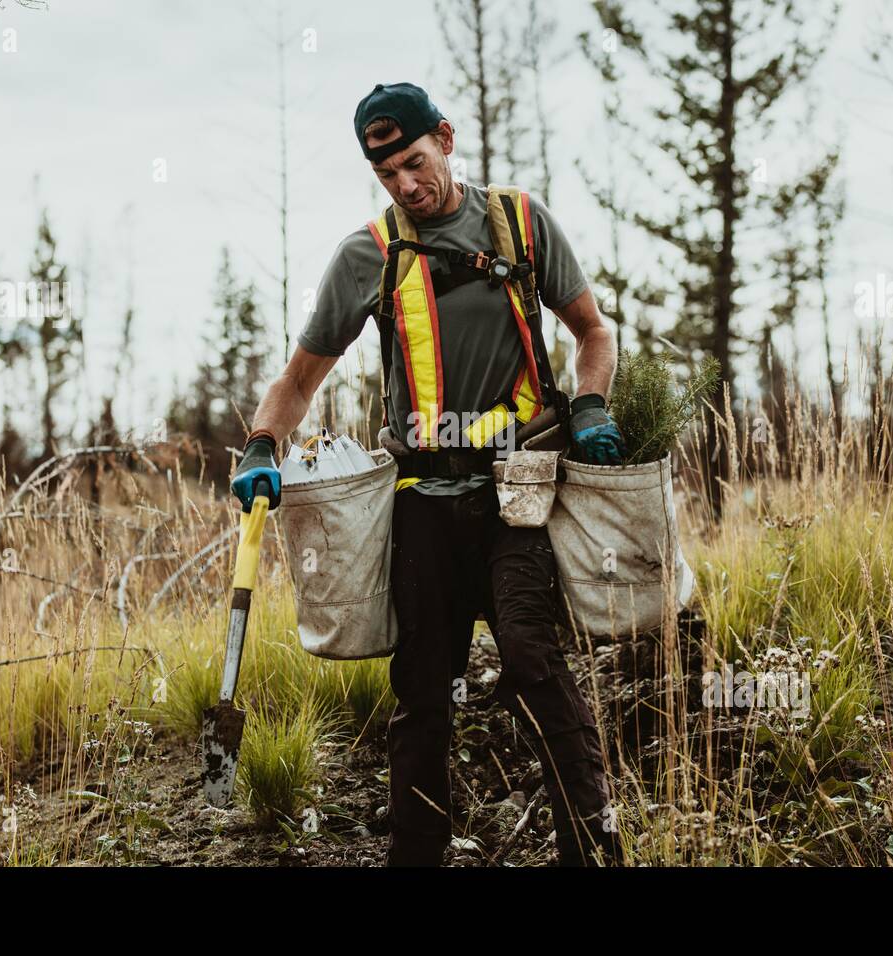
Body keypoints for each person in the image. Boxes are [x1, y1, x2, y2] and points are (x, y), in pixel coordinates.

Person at [232, 82, 626, 866]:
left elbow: (593, 331)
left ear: (445, 138)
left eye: (415, 162)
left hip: (517, 493)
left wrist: (589, 405)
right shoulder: (367, 255)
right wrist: (260, 446)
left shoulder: (520, 223)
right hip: (419, 503)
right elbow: (301, 379)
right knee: (421, 697)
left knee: (532, 661)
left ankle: (594, 849)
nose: (407, 186)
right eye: (388, 175)